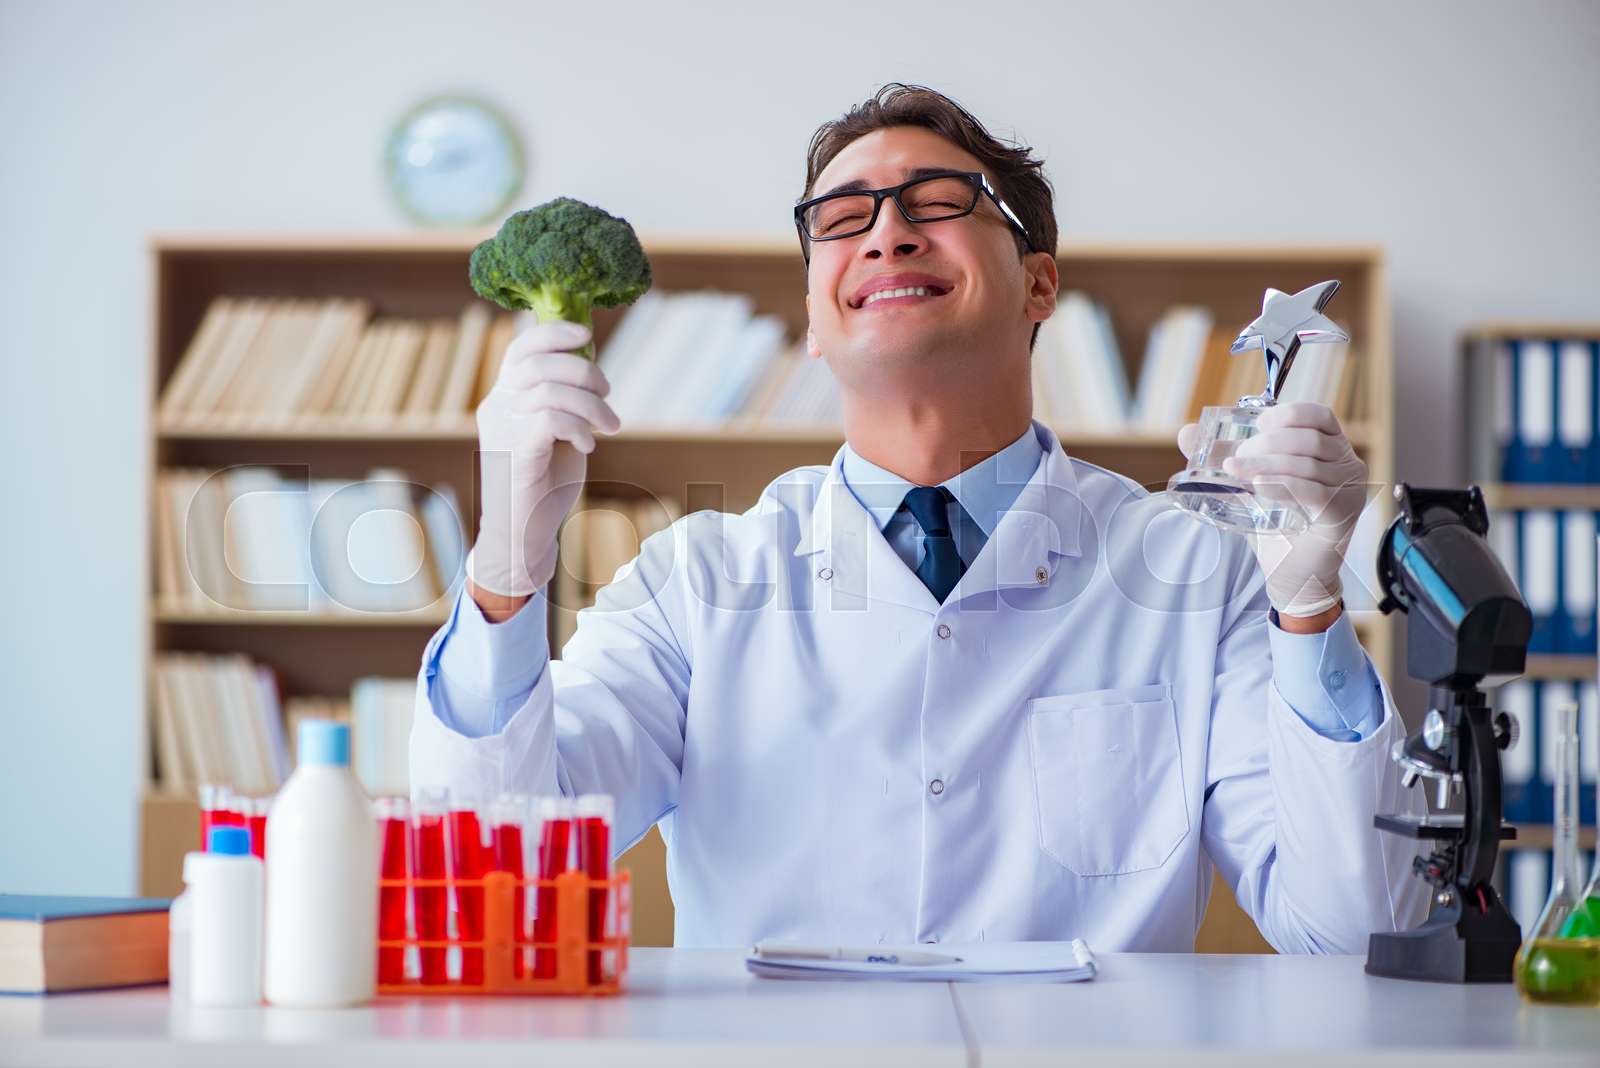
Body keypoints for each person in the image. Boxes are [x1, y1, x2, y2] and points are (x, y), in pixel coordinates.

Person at [412, 83, 1428, 952]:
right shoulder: (694, 583)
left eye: (937, 203)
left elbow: (1349, 931)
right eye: (841, 218)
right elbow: (499, 865)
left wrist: (1308, 610)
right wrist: (507, 561)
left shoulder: (1196, 575)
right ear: (812, 319)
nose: (888, 230)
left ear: (1039, 286)